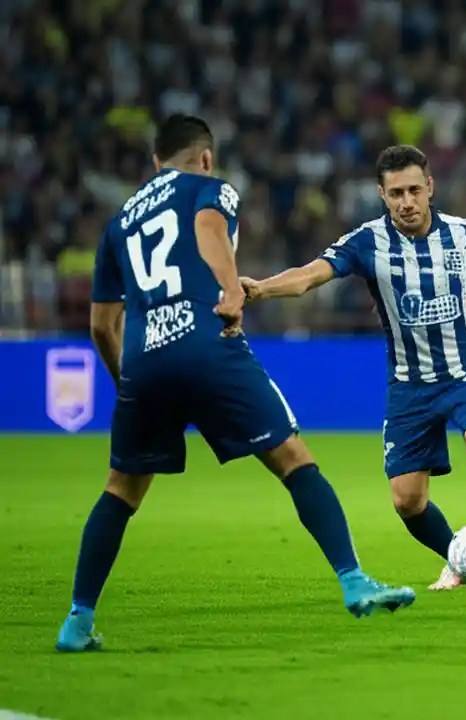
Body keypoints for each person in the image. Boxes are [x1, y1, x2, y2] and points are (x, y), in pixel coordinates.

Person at [56, 115, 415, 652]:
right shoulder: (210, 188)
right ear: (205, 157)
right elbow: (208, 229)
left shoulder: (118, 225)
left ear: (155, 163)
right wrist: (230, 289)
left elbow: (101, 325)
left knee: (120, 490)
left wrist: (126, 382)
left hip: (144, 360)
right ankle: (353, 580)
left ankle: (77, 622)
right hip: (207, 344)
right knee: (294, 460)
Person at [241, 145, 466, 590]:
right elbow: (310, 275)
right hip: (408, 386)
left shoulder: (463, 234)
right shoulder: (366, 242)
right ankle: (458, 555)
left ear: (430, 187)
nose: (407, 201)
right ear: (382, 194)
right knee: (408, 503)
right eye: (396, 193)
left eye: (415, 190)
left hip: (464, 369)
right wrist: (260, 289)